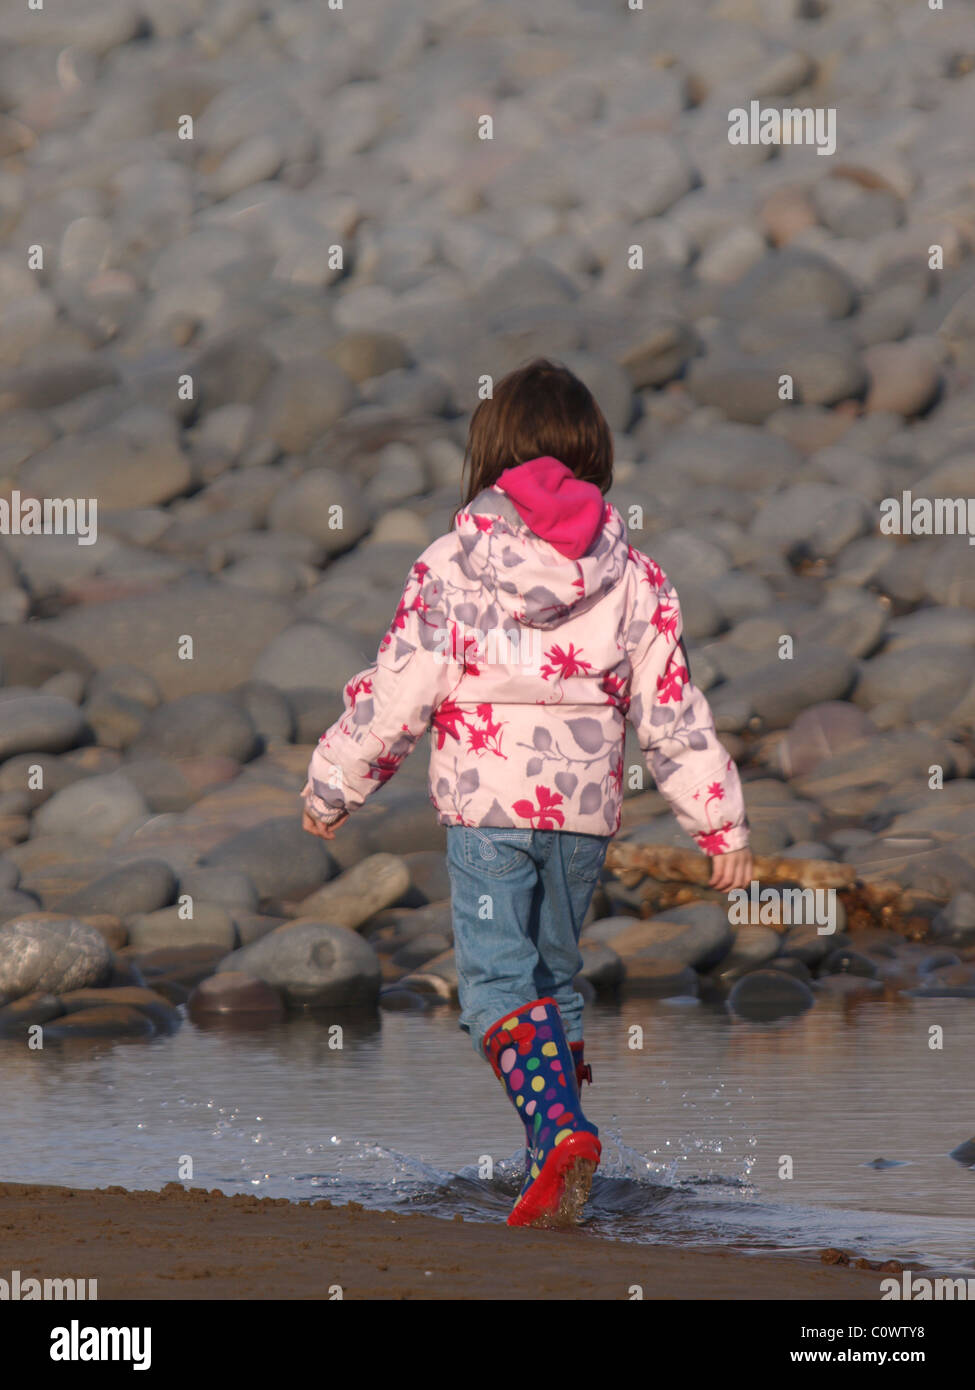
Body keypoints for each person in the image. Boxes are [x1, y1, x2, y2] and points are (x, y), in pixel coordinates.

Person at [301, 357, 752, 1228]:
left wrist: (336, 781)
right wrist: (717, 821)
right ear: (595, 458)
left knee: (497, 987)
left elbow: (402, 690)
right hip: (581, 816)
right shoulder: (635, 575)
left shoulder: (453, 563)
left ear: (488, 458)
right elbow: (671, 711)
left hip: (485, 809)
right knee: (554, 977)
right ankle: (552, 1156)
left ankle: (558, 1134)